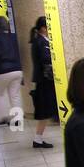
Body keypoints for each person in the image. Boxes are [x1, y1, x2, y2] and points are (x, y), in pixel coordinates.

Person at [0, 15, 23, 127]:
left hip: (3, 70)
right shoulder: (13, 36)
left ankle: (3, 118)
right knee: (15, 95)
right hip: (17, 70)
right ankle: (17, 119)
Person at [28, 16, 57, 148]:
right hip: (45, 80)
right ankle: (37, 139)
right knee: (44, 111)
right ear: (43, 28)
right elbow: (46, 59)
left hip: (46, 80)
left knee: (45, 111)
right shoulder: (40, 42)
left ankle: (38, 139)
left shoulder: (41, 40)